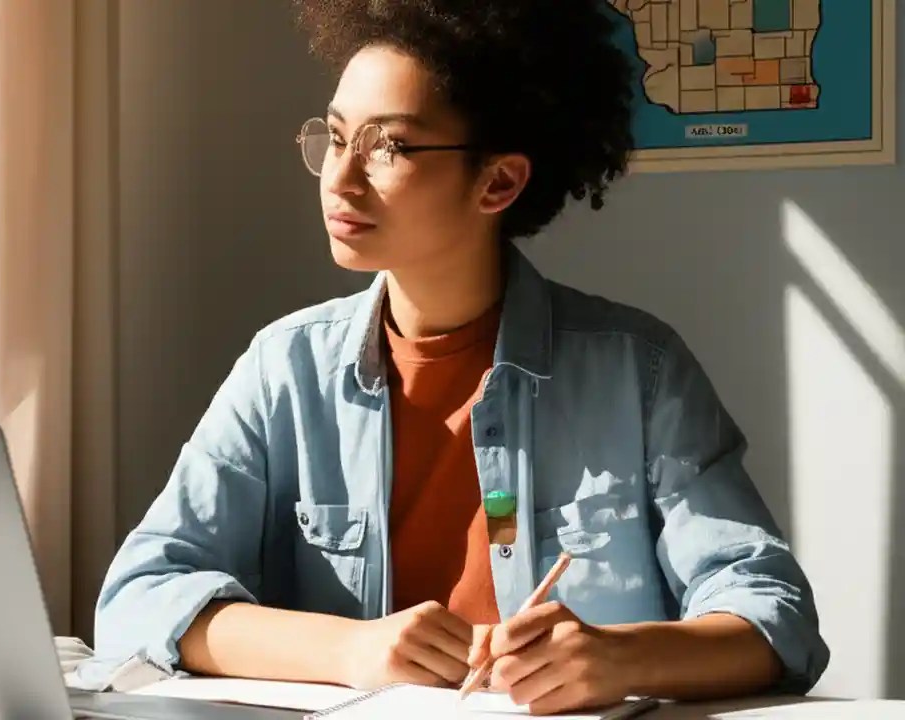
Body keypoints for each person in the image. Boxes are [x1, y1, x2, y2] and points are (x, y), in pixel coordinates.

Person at [91, 0, 829, 713]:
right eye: (336, 138)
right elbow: (138, 598)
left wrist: (617, 658)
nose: (340, 179)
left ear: (499, 181)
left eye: (389, 147)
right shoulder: (283, 371)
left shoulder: (640, 373)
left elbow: (775, 617)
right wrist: (350, 650)